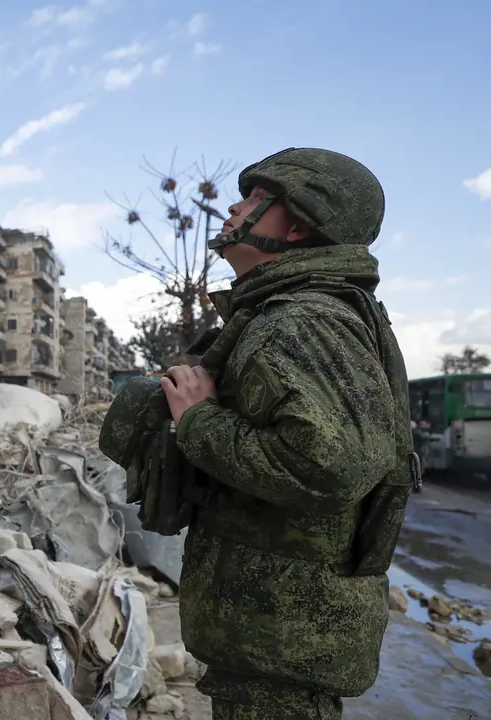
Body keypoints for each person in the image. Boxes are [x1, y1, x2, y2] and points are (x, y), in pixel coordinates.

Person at [158, 148, 415, 719]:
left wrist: (197, 420)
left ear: (298, 224)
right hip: (274, 641)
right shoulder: (297, 313)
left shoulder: (299, 320)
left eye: (255, 198)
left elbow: (331, 467)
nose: (233, 206)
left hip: (278, 647)